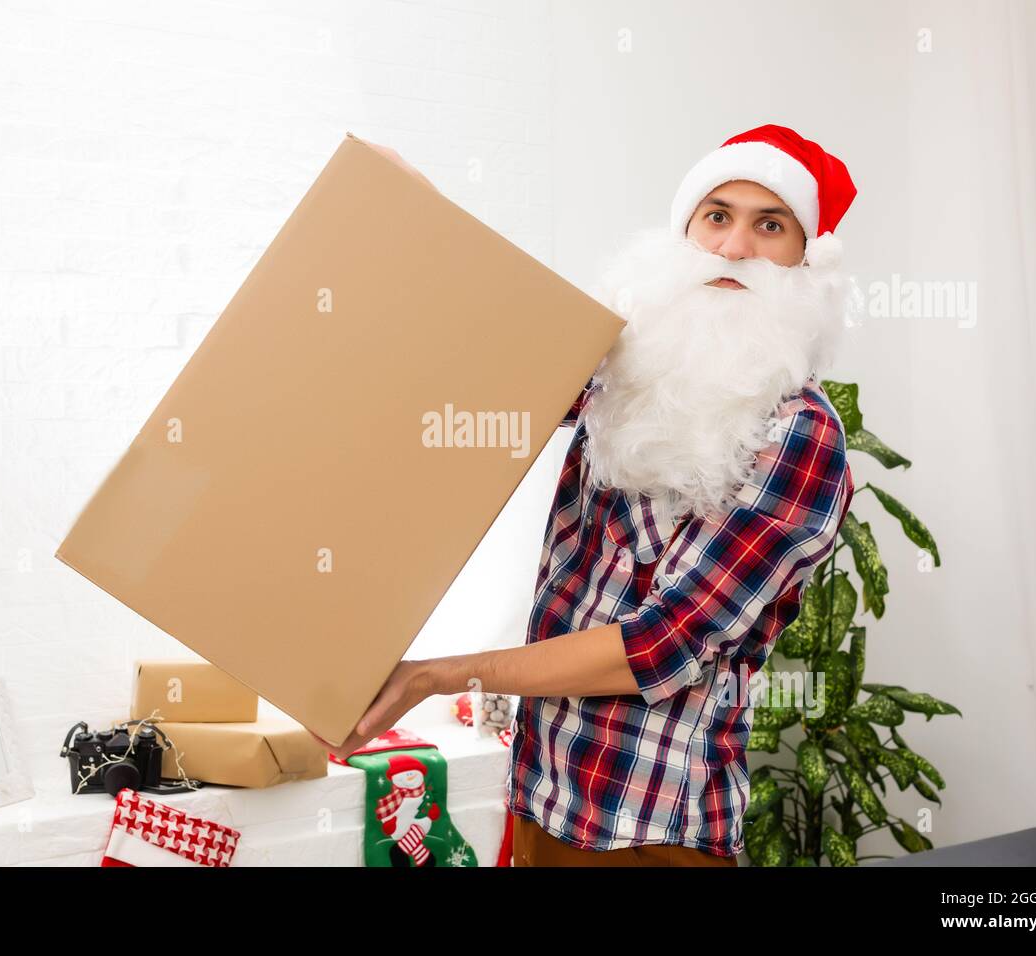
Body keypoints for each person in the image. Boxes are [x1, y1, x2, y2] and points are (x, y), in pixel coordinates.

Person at [317, 125, 858, 866]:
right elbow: (499, 354)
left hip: (651, 829)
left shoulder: (801, 438)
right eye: (717, 216)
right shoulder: (629, 374)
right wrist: (415, 211)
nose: (734, 247)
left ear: (805, 260)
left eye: (771, 226)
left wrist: (436, 675)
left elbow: (657, 646)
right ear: (685, 235)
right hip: (541, 800)